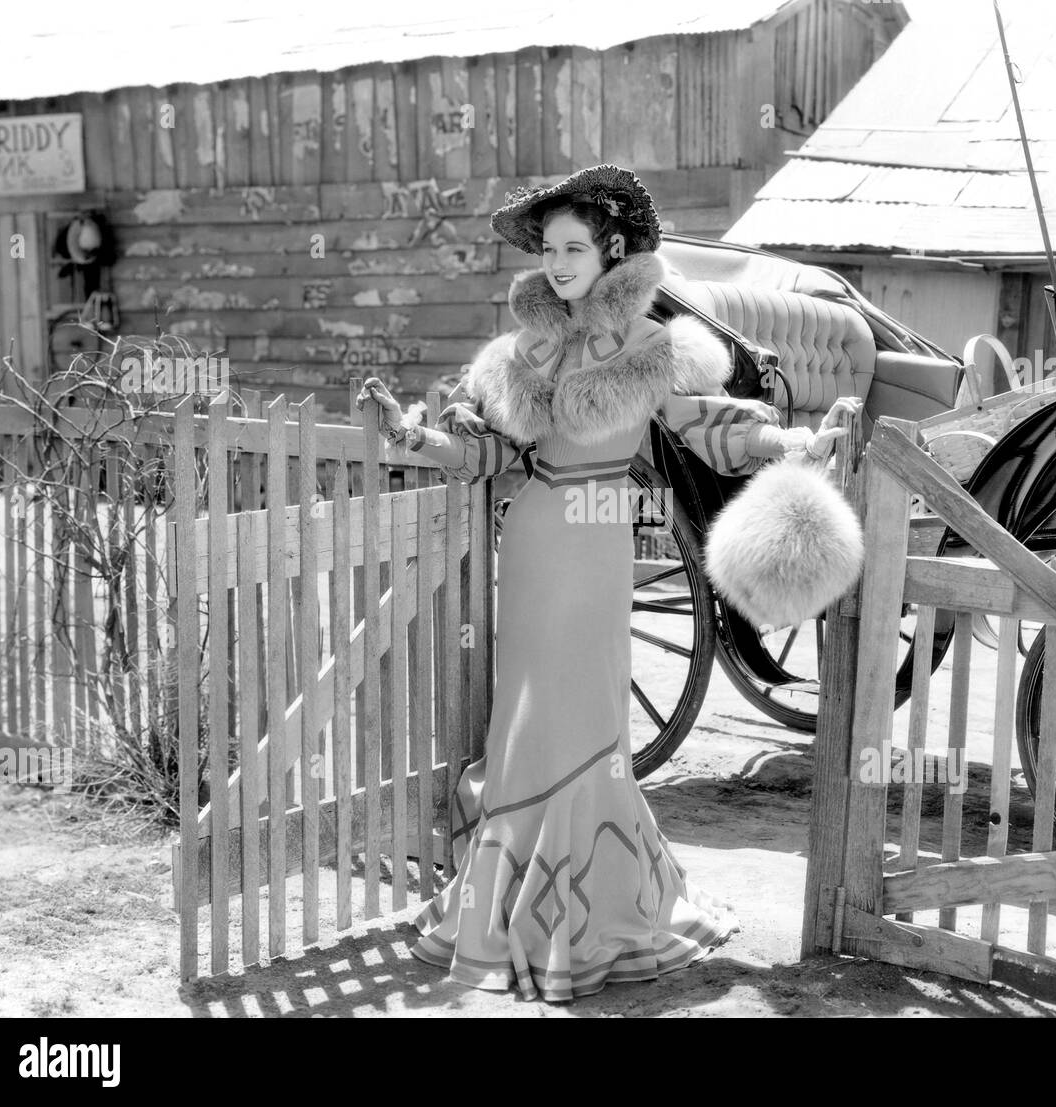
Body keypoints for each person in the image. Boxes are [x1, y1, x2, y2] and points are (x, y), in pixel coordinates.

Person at [356, 164, 846, 1003]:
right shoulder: (520, 355)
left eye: (574, 246)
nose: (557, 261)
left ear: (613, 250)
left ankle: (600, 907)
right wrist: (409, 436)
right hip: (539, 545)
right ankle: (512, 904)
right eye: (549, 248)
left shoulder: (653, 346)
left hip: (599, 550)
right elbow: (487, 455)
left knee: (591, 720)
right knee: (531, 715)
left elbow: (709, 429)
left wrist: (794, 444)